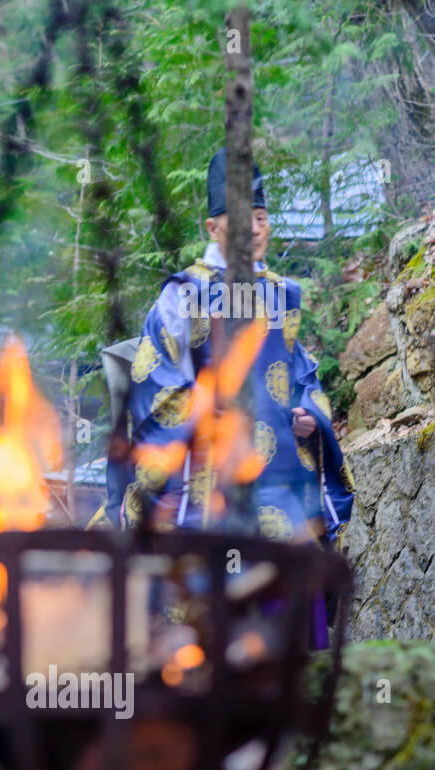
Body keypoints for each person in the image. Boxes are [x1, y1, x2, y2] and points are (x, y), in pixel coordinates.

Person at [110, 148, 354, 644]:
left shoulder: (282, 294)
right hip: (209, 482)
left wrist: (309, 413)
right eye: (241, 220)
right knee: (214, 630)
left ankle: (298, 710)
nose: (256, 229)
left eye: (261, 218)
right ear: (213, 228)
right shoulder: (183, 295)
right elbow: (154, 380)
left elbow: (302, 374)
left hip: (281, 481)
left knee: (296, 622)